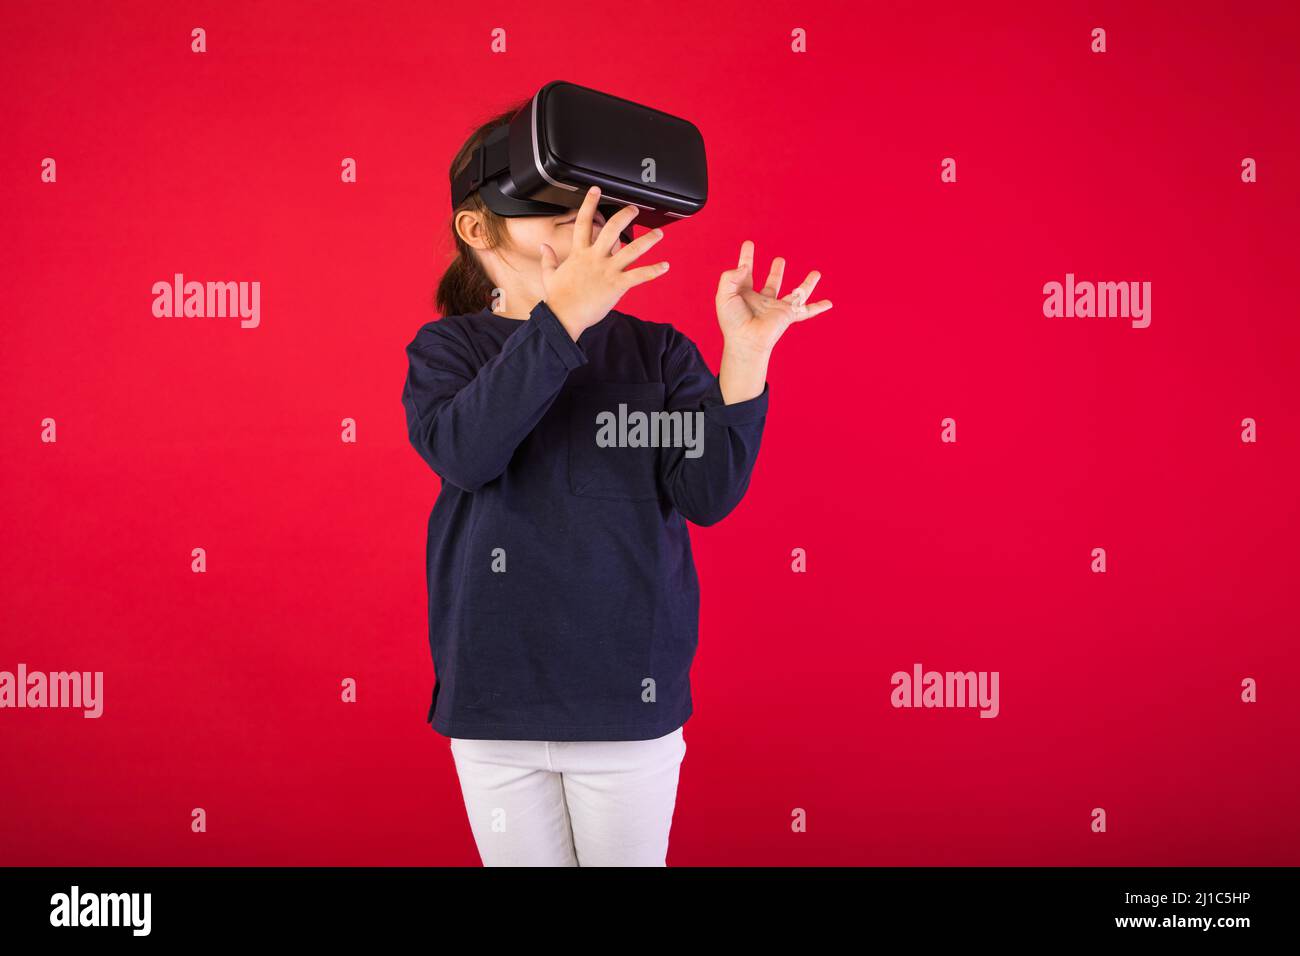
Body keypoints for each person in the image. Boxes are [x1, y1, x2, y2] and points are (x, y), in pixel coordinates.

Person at [402, 103, 832, 866]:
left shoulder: (657, 355)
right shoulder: (449, 350)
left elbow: (707, 493)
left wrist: (746, 354)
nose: (590, 236)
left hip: (626, 694)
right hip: (494, 699)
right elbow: (468, 453)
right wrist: (561, 316)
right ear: (480, 229)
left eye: (603, 219)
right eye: (564, 219)